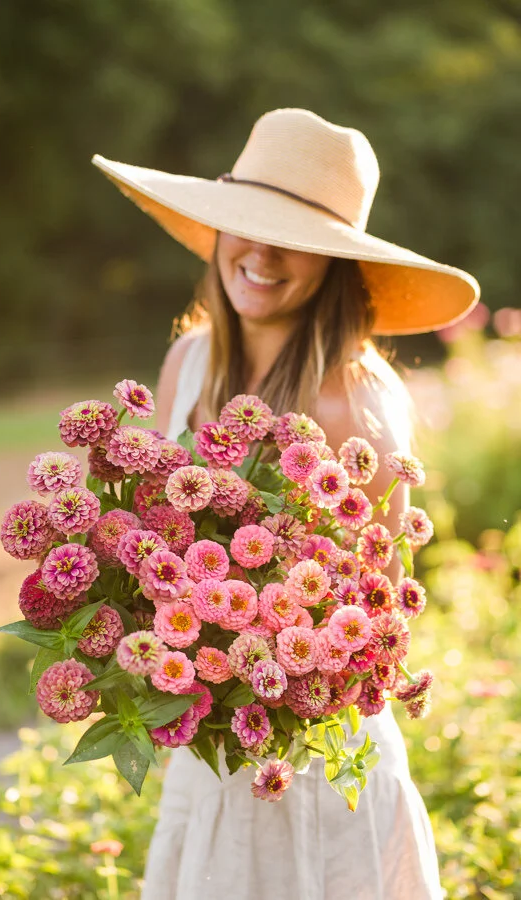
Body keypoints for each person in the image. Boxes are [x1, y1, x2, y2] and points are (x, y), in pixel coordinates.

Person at [92, 108, 479, 900]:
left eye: (293, 238)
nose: (260, 254)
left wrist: (253, 669)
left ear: (336, 263)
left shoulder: (356, 408)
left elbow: (370, 627)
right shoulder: (189, 362)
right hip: (204, 758)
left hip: (305, 772)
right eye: (247, 225)